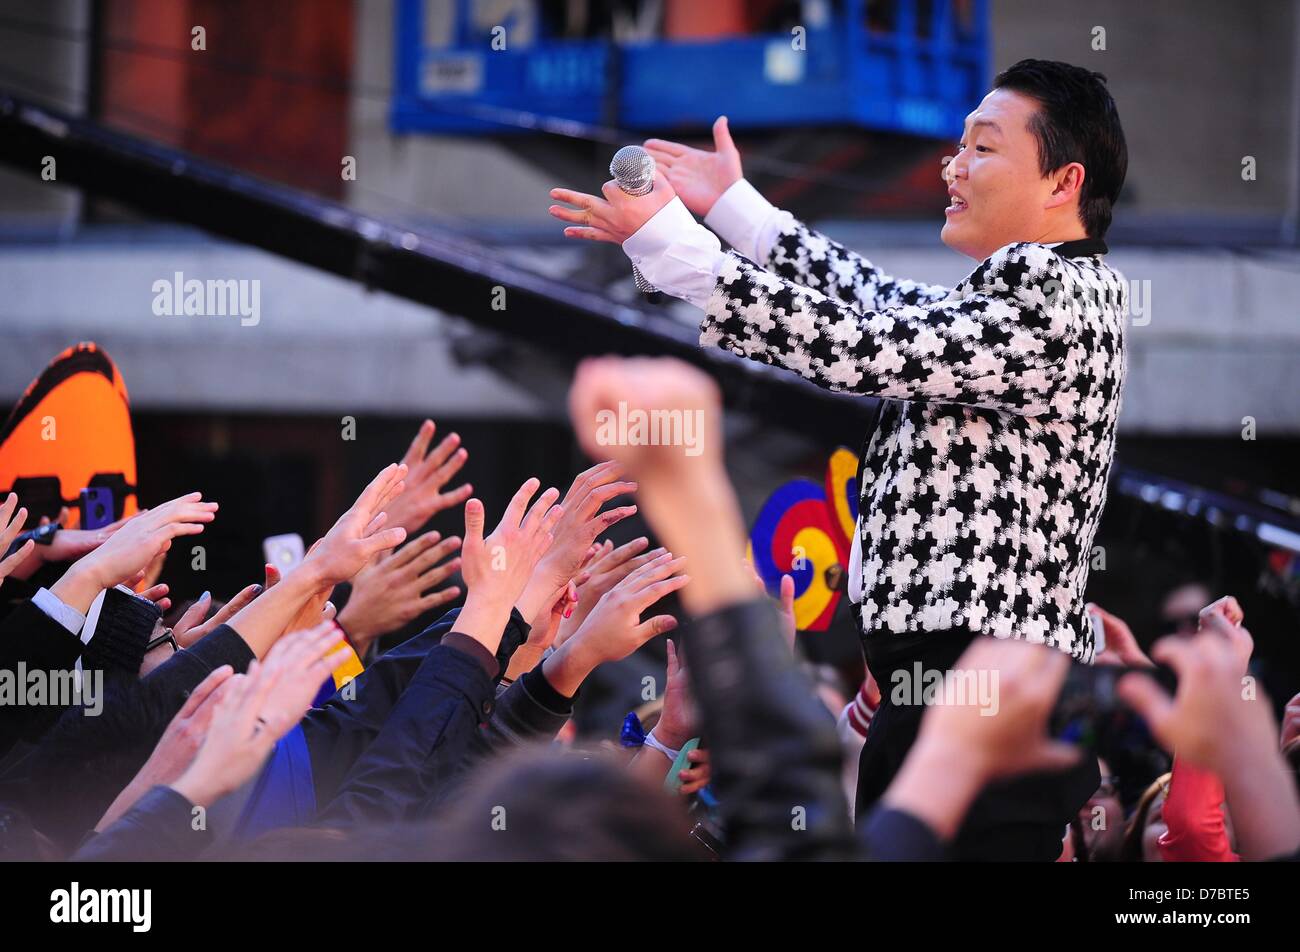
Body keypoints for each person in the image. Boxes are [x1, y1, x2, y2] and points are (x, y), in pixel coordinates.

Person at [550, 59, 1129, 858]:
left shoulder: (1052, 293)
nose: (953, 166)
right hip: (955, 681)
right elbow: (878, 305)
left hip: (983, 684)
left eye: (983, 148)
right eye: (959, 145)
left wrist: (676, 246)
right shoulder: (1035, 288)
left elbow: (862, 344)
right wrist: (737, 212)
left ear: (1065, 181)